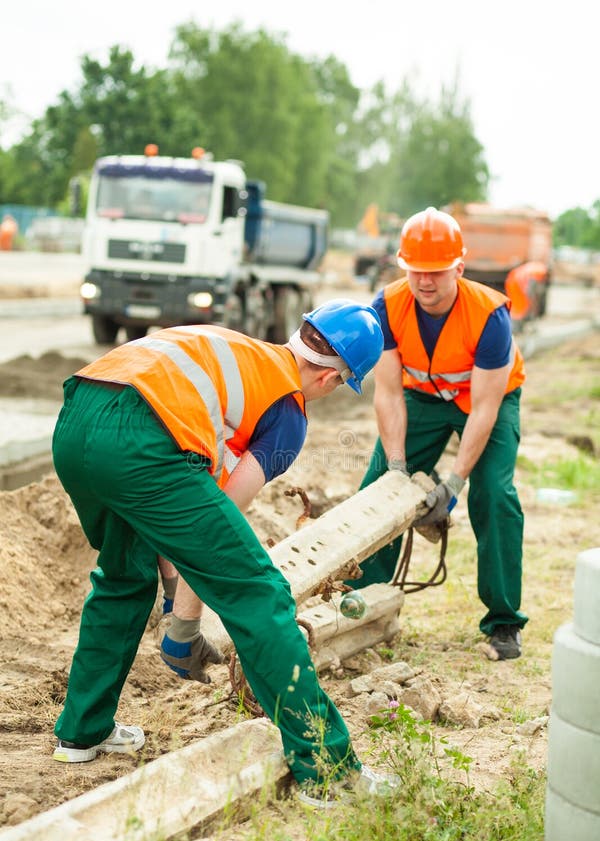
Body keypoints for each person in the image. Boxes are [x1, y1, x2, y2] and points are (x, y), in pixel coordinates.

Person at [50, 298, 400, 806]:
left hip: (78, 417)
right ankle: (329, 770)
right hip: (142, 444)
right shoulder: (287, 413)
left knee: (124, 574)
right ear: (331, 378)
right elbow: (222, 517)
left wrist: (179, 611)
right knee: (260, 595)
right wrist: (184, 626)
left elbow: (185, 522)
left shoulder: (239, 353)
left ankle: (83, 732)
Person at [350, 207, 528, 661]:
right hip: (423, 397)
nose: (425, 281)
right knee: (377, 488)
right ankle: (361, 604)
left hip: (484, 401)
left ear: (459, 268)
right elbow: (388, 392)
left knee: (494, 494)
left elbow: (484, 409)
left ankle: (504, 622)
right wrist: (396, 469)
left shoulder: (489, 315)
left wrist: (453, 484)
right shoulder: (387, 306)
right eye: (416, 270)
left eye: (436, 271)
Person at [505, 261, 549, 325]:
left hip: (514, 283)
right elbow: (531, 292)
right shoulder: (540, 271)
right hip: (518, 285)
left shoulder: (519, 272)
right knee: (520, 309)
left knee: (518, 309)